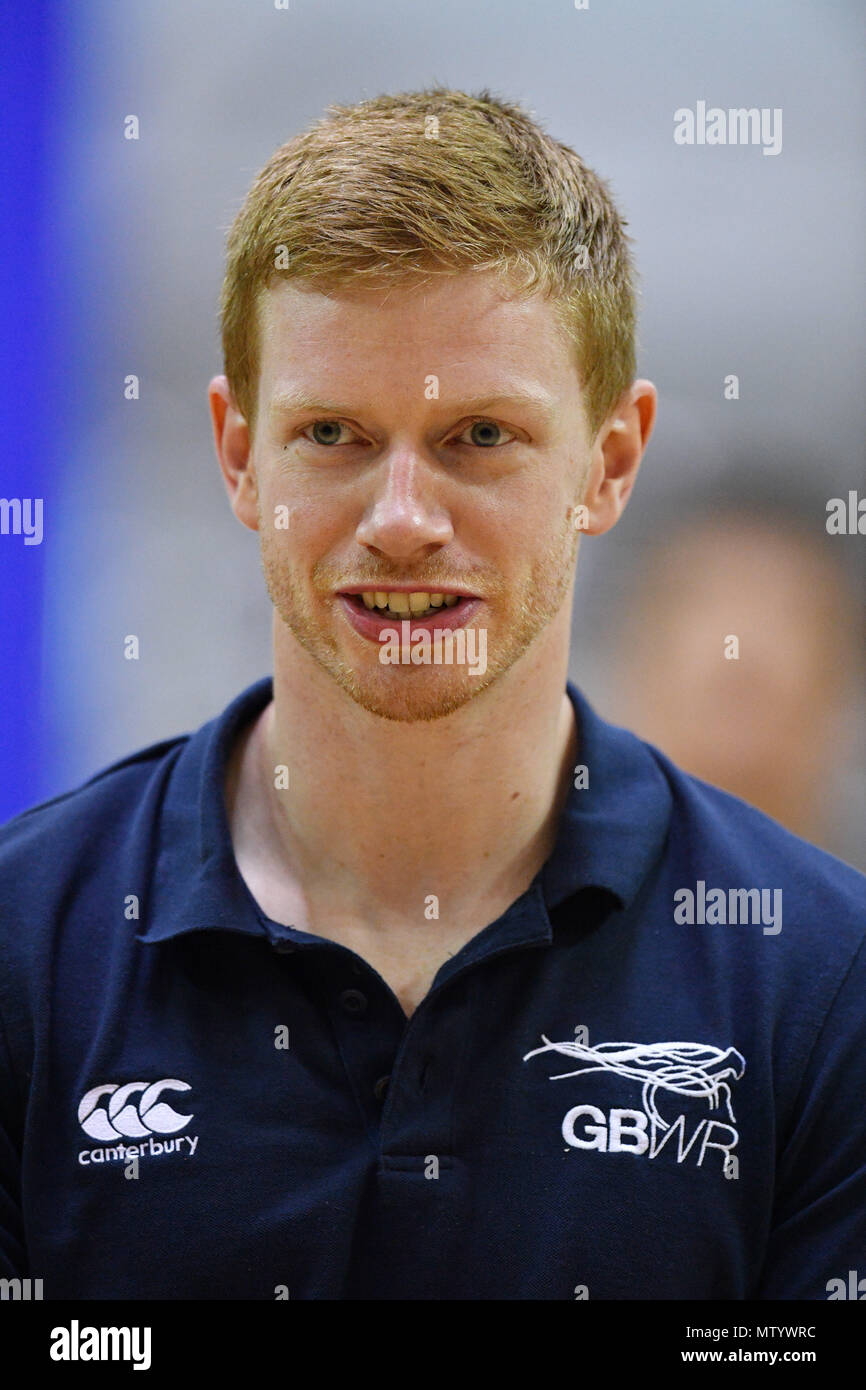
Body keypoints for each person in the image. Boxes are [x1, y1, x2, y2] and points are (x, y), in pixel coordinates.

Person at [0, 87, 863, 1301]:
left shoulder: (823, 987)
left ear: (608, 461)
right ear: (238, 453)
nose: (401, 521)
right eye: (335, 434)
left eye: (478, 437)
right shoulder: (25, 949)